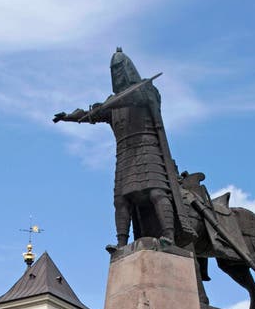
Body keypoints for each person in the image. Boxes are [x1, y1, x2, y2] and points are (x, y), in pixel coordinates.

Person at [53, 48, 194, 250]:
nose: (118, 75)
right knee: (122, 200)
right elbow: (89, 115)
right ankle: (121, 244)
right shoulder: (112, 106)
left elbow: (139, 97)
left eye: (120, 70)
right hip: (125, 155)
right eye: (114, 72)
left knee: (156, 192)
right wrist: (68, 116)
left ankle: (169, 236)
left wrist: (111, 103)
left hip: (148, 148)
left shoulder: (146, 90)